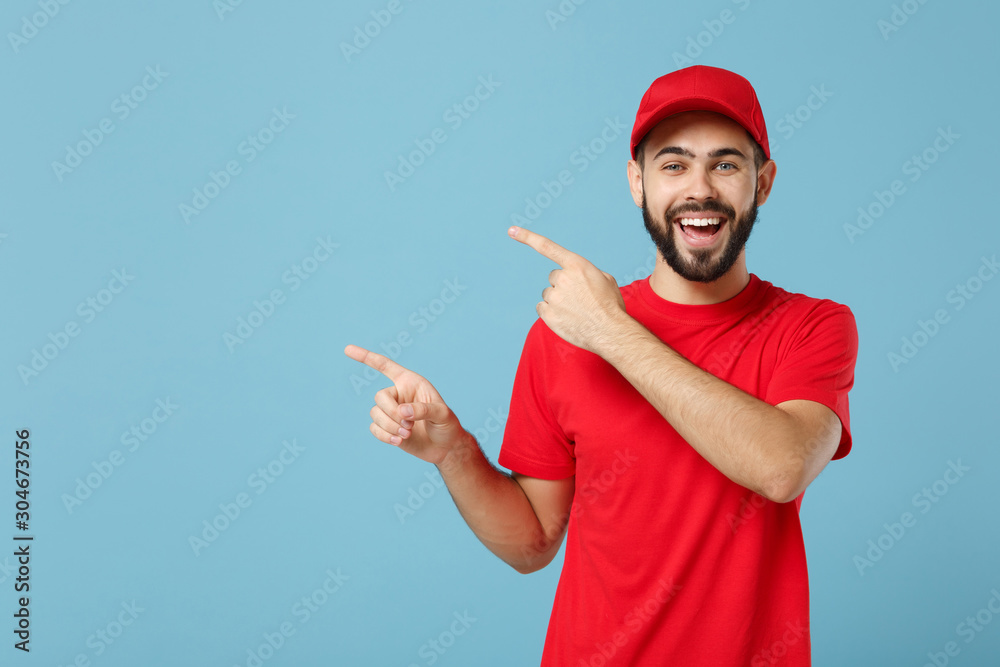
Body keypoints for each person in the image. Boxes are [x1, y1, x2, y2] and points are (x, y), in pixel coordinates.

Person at [345, 65, 858, 665]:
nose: (700, 189)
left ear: (762, 183)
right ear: (637, 182)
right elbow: (532, 543)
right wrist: (453, 453)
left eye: (725, 164)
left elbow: (782, 466)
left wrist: (612, 333)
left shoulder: (812, 327)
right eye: (673, 165)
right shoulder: (562, 337)